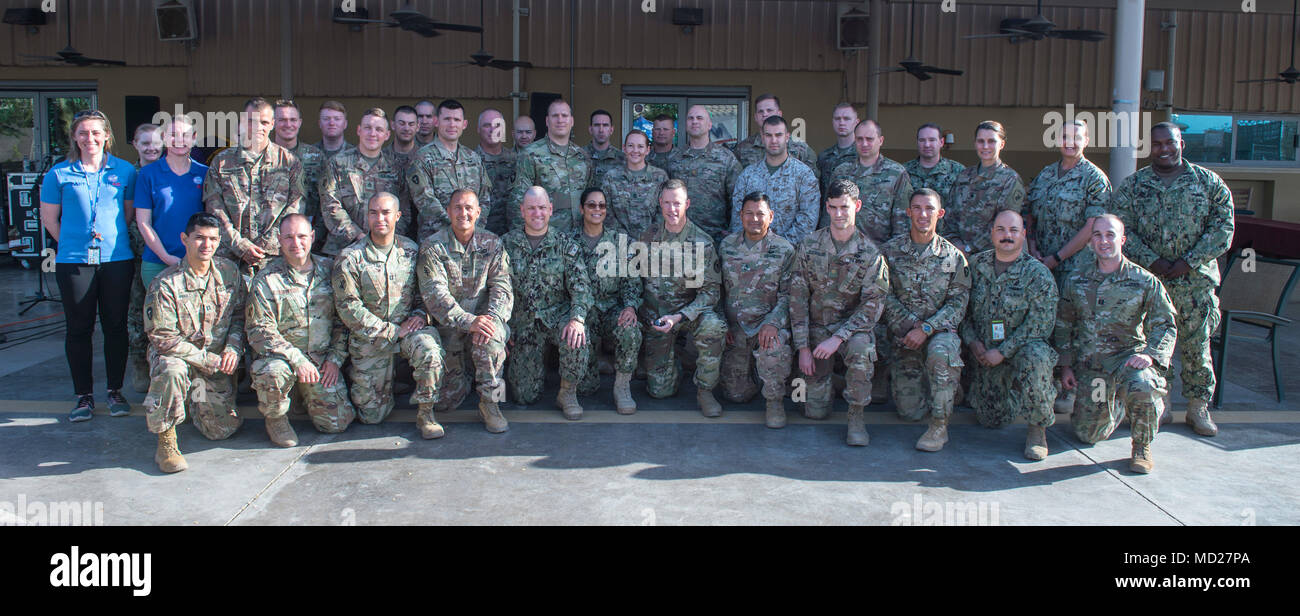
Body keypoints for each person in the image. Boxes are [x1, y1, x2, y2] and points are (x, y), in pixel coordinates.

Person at [1109, 122, 1234, 437]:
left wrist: (1187, 261)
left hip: (1194, 283)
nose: (1164, 149)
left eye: (1170, 142)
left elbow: (1223, 229)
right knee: (1153, 345)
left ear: (1182, 144)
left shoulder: (1208, 183)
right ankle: (1160, 403)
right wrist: (1153, 260)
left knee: (1196, 346)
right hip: (1150, 282)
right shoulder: (1134, 186)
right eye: (1157, 144)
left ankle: (1197, 406)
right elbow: (1122, 228)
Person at [1056, 215, 1177, 474]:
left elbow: (1166, 324)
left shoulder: (1144, 281)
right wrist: (1065, 367)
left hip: (1126, 361)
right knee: (1089, 435)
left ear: (1122, 240)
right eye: (1097, 235)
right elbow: (1064, 324)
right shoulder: (1076, 281)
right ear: (1091, 242)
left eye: (1110, 234)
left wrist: (1150, 355)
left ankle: (1142, 445)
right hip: (1093, 368)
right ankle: (1118, 404)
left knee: (1143, 384)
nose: (1103, 241)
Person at [39, 109, 138, 421]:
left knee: (115, 326)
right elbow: (49, 219)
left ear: (107, 136)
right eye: (83, 133)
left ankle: (114, 390)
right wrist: (73, 242)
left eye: (96, 132)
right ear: (75, 137)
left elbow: (128, 214)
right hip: (74, 263)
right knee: (79, 328)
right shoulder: (58, 174)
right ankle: (83, 396)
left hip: (116, 260)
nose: (90, 138)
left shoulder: (124, 171)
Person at [332, 193, 444, 435]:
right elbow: (349, 308)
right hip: (371, 338)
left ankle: (426, 413)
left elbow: (427, 292)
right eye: (373, 213)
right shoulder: (350, 258)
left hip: (409, 330)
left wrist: (421, 315)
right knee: (372, 417)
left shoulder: (412, 251)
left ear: (397, 216)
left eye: (385, 213)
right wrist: (391, 331)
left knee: (430, 350)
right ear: (366, 216)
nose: (379, 218)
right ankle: (381, 383)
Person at [142, 212, 245, 473]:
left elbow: (240, 315)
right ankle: (166, 441)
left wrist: (233, 346)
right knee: (172, 370)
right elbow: (163, 338)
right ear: (185, 239)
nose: (206, 245)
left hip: (214, 361)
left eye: (212, 239)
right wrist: (208, 360)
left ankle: (192, 401)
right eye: (199, 238)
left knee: (220, 430)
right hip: (179, 358)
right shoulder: (165, 283)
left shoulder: (229, 272)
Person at [790, 179, 890, 446]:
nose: (839, 214)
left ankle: (856, 416)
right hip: (816, 328)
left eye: (844, 207)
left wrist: (839, 338)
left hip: (851, 330)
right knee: (814, 412)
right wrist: (802, 348)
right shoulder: (809, 245)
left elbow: (872, 305)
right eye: (833, 208)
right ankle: (827, 382)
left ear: (857, 206)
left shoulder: (870, 253)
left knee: (861, 350)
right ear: (827, 207)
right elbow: (798, 297)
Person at [1025, 119, 1112, 415]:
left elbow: (1092, 226)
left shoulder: (1094, 178)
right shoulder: (1045, 175)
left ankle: (1070, 387)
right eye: (1064, 136)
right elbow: (1030, 217)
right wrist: (1035, 251)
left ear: (1086, 140)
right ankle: (1044, 384)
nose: (1069, 142)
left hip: (1075, 267)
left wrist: (1057, 257)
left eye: (1076, 137)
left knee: (1074, 326)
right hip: (1042, 265)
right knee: (1046, 324)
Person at [247, 214, 355, 446]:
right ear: (279, 240)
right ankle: (276, 418)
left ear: (313, 237)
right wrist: (296, 360)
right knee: (272, 372)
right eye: (288, 237)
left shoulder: (330, 270)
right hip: (282, 360)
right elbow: (259, 330)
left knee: (337, 424)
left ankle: (301, 395)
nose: (296, 243)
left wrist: (335, 360)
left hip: (320, 361)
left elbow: (344, 320)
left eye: (302, 236)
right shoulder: (266, 278)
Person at [959, 210, 1058, 460]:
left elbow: (1041, 324)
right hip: (984, 355)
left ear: (1023, 235)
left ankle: (1038, 428)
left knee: (1037, 356)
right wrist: (973, 343)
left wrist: (1003, 352)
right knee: (992, 419)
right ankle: (1011, 393)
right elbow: (961, 310)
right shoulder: (975, 266)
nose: (1007, 236)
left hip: (1019, 354)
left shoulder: (1038, 274)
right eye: (1001, 230)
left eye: (1014, 231)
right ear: (991, 233)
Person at [417, 189, 513, 432]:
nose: (464, 213)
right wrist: (470, 321)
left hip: (483, 328)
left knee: (493, 340)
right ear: (448, 211)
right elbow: (435, 296)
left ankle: (492, 403)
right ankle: (464, 377)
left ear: (479, 212)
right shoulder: (432, 247)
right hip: (449, 330)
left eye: (469, 208)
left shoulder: (492, 243)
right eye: (457, 207)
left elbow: (502, 287)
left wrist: (490, 320)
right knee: (446, 403)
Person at [882, 189, 970, 451]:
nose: (923, 214)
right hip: (904, 336)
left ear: (940, 214)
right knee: (910, 412)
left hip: (940, 334)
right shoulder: (890, 252)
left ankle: (939, 426)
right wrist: (911, 326)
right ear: (908, 212)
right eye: (917, 208)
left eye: (929, 209)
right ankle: (946, 388)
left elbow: (958, 302)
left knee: (941, 354)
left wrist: (928, 328)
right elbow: (882, 295)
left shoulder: (953, 257)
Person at [503, 187, 593, 419]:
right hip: (523, 324)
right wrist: (501, 325)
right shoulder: (506, 244)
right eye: (531, 208)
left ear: (551, 210)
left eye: (542, 207)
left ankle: (567, 392)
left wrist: (577, 319)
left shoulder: (565, 244)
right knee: (524, 396)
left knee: (577, 337)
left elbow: (581, 288)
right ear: (522, 211)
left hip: (557, 318)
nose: (537, 213)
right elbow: (495, 289)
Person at [639, 179, 727, 416]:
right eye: (667, 203)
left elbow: (710, 292)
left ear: (687, 204)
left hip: (688, 314)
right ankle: (674, 361)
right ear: (660, 204)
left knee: (713, 326)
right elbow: (633, 279)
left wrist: (679, 316)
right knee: (660, 391)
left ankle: (705, 391)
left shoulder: (702, 242)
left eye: (676, 203)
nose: (672, 209)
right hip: (657, 318)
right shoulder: (648, 237)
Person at [719, 192, 795, 428]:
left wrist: (773, 323)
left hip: (768, 328)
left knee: (773, 350)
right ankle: (756, 377)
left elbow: (789, 295)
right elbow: (716, 288)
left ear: (770, 216)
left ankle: (774, 401)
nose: (754, 219)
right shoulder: (726, 246)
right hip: (737, 329)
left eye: (760, 214)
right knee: (736, 396)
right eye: (749, 213)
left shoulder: (784, 250)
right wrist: (722, 322)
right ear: (740, 216)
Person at [204, 97, 305, 277]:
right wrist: (239, 245)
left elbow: (295, 207)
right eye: (252, 121)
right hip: (229, 258)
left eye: (264, 122)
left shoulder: (289, 162)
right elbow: (214, 208)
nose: (258, 127)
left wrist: (265, 246)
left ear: (272, 124)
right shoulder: (222, 162)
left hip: (274, 259)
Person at [573, 188, 643, 414]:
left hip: (612, 310)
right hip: (584, 313)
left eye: (601, 206)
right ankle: (593, 365)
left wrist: (631, 306)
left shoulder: (620, 242)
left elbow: (631, 281)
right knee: (587, 388)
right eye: (591, 205)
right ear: (582, 208)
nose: (597, 209)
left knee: (631, 331)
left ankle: (622, 386)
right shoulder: (568, 242)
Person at [320, 108, 410, 255]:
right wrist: (358, 236)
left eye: (379, 129)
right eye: (367, 128)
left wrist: (385, 239)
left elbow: (404, 211)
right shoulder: (337, 164)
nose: (372, 133)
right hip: (343, 249)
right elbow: (330, 206)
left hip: (385, 251)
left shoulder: (396, 168)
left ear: (387, 135)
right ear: (359, 130)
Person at [137, 116, 207, 287]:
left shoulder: (205, 173)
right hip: (157, 262)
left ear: (194, 137)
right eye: (173, 134)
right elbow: (143, 222)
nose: (179, 140)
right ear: (164, 138)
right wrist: (167, 258)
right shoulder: (148, 174)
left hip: (196, 261)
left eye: (185, 134)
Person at [407, 99, 493, 238]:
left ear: (464, 124)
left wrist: (472, 229)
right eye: (447, 119)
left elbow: (484, 199)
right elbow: (426, 202)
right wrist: (457, 232)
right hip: (436, 241)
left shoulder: (474, 159)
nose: (452, 124)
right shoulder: (422, 158)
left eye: (457, 120)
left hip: (472, 240)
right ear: (436, 122)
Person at [730, 116, 820, 246]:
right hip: (752, 254)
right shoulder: (747, 175)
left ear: (787, 137)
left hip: (790, 255)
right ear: (762, 137)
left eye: (778, 135)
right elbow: (738, 218)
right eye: (768, 135)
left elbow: (808, 220)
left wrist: (780, 248)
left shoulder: (803, 175)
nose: (773, 140)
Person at [509, 99, 591, 232]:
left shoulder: (583, 157)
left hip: (579, 240)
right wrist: (524, 241)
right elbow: (517, 203)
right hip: (545, 241)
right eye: (555, 116)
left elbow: (590, 200)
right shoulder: (530, 155)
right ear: (547, 121)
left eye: (564, 116)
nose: (560, 120)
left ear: (572, 121)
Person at [826, 120, 913, 242]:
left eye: (869, 139)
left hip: (879, 249)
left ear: (881, 140)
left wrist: (894, 252)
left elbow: (902, 221)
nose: (864, 143)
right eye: (859, 139)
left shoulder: (896, 173)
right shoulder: (841, 171)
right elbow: (830, 212)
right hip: (844, 248)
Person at [665, 105, 742, 243]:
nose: (694, 121)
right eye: (690, 118)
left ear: (709, 125)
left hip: (715, 238)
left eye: (699, 118)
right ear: (686, 125)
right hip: (679, 237)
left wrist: (733, 233)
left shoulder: (726, 158)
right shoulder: (674, 158)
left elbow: (737, 199)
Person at [948, 121, 1025, 255]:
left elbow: (1005, 224)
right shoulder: (963, 177)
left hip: (990, 257)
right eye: (980, 141)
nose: (985, 146)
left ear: (1001, 144)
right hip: (957, 255)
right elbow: (950, 216)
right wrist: (955, 244)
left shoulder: (1010, 180)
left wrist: (969, 248)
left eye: (991, 141)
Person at [127, 123, 164, 392]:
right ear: (135, 144)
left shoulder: (167, 172)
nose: (151, 148)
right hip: (132, 254)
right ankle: (140, 363)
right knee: (137, 313)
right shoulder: (128, 175)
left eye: (155, 143)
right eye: (145, 143)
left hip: (161, 253)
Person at [273, 100, 326, 243]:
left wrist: (316, 236)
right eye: (282, 120)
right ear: (273, 122)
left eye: (293, 120)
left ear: (300, 122)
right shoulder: (264, 158)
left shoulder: (316, 156)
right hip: (271, 238)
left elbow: (325, 200)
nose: (288, 124)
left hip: (307, 238)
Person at [730, 93, 818, 176]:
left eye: (769, 110)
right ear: (755, 117)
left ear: (779, 114)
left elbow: (813, 181)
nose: (765, 114)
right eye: (760, 111)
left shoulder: (800, 147)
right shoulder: (743, 149)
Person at [602, 130, 668, 240]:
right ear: (624, 148)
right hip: (619, 244)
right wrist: (625, 240)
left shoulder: (660, 177)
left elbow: (664, 212)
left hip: (653, 243)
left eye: (640, 146)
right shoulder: (611, 177)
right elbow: (606, 213)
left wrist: (648, 237)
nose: (635, 150)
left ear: (647, 150)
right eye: (631, 146)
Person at [904, 123, 965, 211]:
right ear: (917, 142)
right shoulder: (903, 171)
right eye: (922, 140)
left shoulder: (958, 171)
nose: (927, 144)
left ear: (941, 142)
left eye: (932, 140)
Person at [476, 108, 516, 236]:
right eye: (487, 125)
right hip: (481, 233)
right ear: (478, 129)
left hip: (513, 233)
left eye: (497, 125)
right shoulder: (470, 161)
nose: (492, 130)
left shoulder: (516, 160)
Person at [818, 103, 860, 195]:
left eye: (846, 119)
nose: (841, 123)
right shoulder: (824, 156)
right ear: (832, 121)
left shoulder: (861, 155)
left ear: (856, 122)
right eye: (837, 119)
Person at [584, 109, 625, 188]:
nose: (601, 130)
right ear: (590, 129)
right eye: (597, 125)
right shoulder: (579, 156)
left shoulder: (623, 159)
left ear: (611, 130)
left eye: (605, 125)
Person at [384, 105, 421, 180]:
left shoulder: (425, 158)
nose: (406, 128)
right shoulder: (381, 157)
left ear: (417, 127)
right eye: (402, 123)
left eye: (411, 124)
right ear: (393, 125)